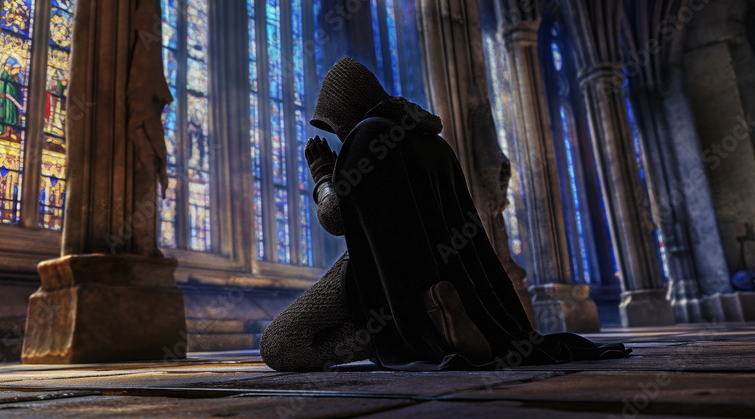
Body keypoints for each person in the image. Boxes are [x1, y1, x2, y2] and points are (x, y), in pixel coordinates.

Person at [259, 57, 630, 372]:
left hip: (383, 273)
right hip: (452, 275)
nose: (340, 134)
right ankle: (428, 323)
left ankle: (411, 336)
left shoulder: (366, 136)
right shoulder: (429, 141)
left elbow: (335, 220)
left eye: (337, 125)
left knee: (279, 344)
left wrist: (324, 175)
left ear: (348, 111)